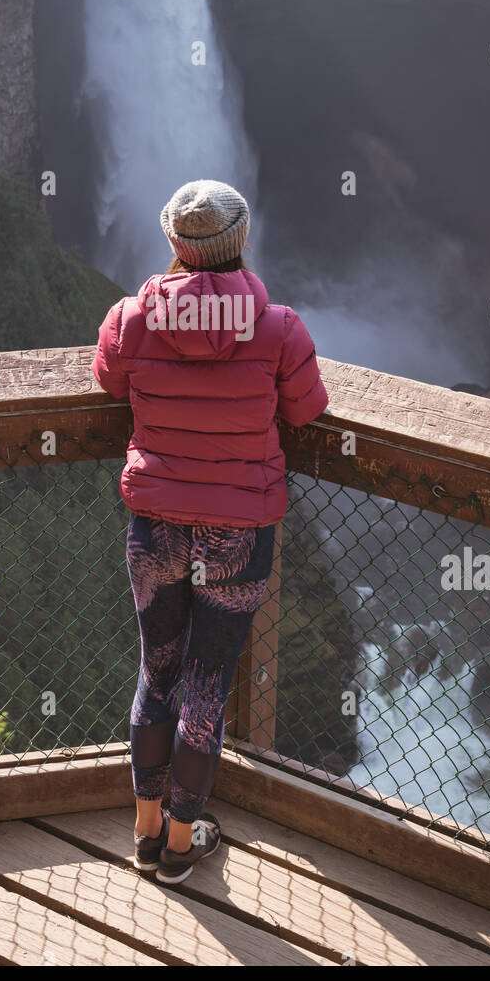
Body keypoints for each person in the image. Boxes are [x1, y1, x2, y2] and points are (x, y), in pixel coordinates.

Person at [92, 180, 328, 885]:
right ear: (240, 240)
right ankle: (181, 840)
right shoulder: (279, 328)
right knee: (206, 683)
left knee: (157, 671)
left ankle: (144, 827)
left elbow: (108, 382)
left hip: (156, 531)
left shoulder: (130, 318)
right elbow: (307, 411)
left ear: (173, 241)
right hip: (237, 535)